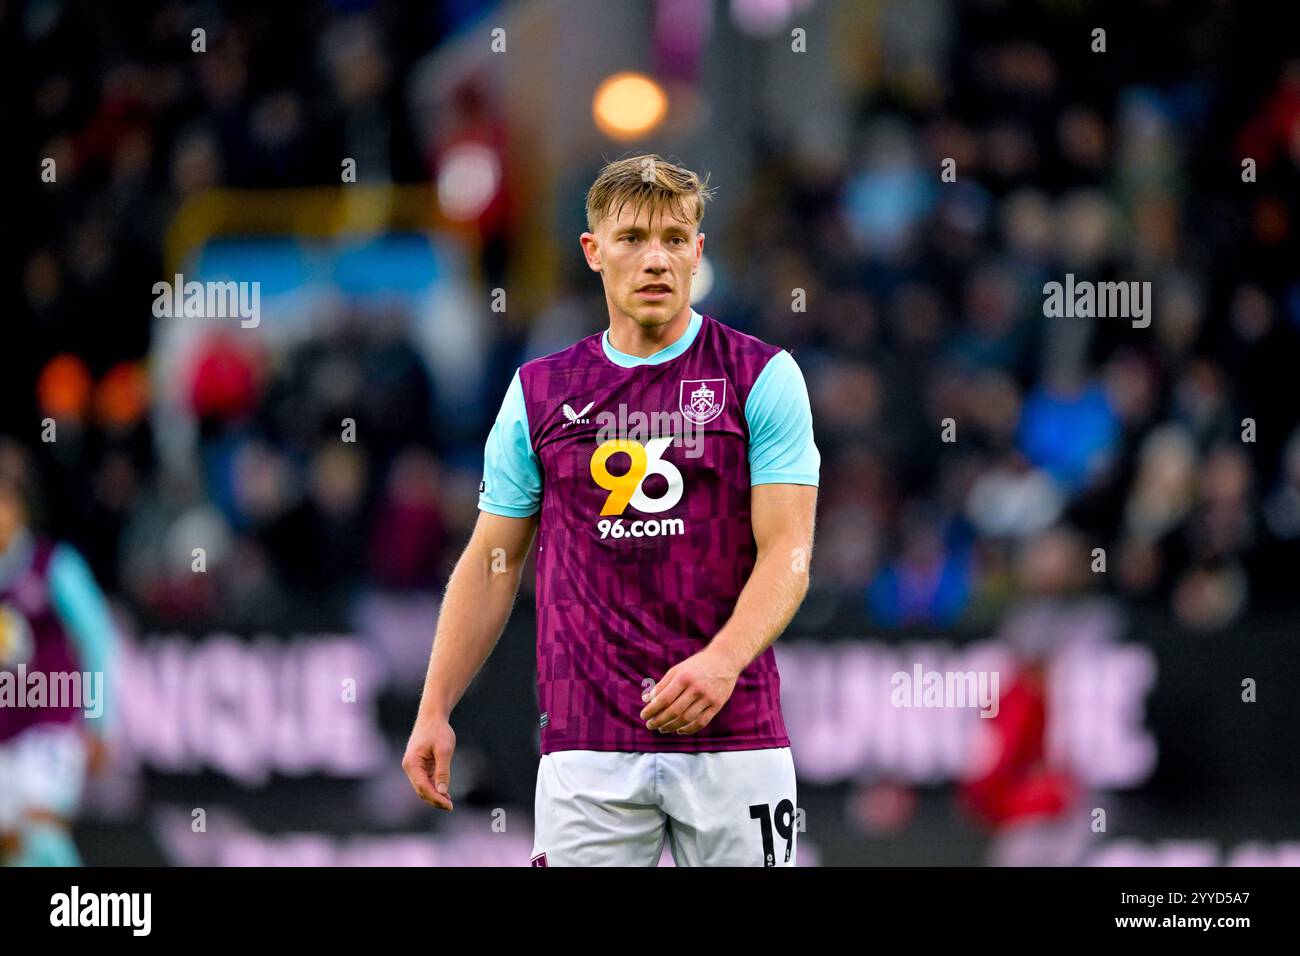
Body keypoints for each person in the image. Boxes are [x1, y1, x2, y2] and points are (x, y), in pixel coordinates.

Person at [402, 154, 820, 865]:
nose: (655, 258)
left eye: (673, 238)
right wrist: (435, 705)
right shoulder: (539, 392)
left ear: (698, 251)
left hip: (734, 734)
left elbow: (790, 552)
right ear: (594, 252)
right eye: (631, 239)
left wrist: (721, 663)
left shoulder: (762, 377)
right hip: (587, 746)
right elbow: (493, 561)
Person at [0, 459, 118, 866]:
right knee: (11, 848)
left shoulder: (53, 566)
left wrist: (101, 720)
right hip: (3, 731)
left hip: (50, 721)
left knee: (41, 830)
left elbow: (98, 639)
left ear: (20, 507)